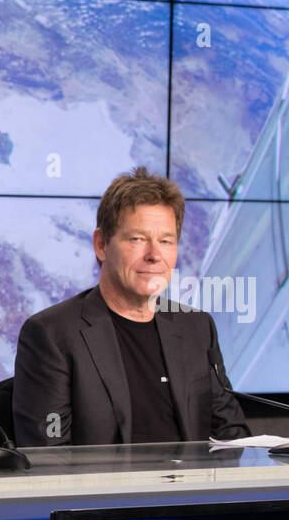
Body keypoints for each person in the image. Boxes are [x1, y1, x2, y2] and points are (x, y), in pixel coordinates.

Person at [13, 167, 250, 446]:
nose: (154, 255)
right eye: (137, 239)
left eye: (166, 241)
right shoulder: (52, 334)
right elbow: (49, 453)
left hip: (191, 488)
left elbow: (232, 435)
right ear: (101, 245)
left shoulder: (197, 328)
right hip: (106, 490)